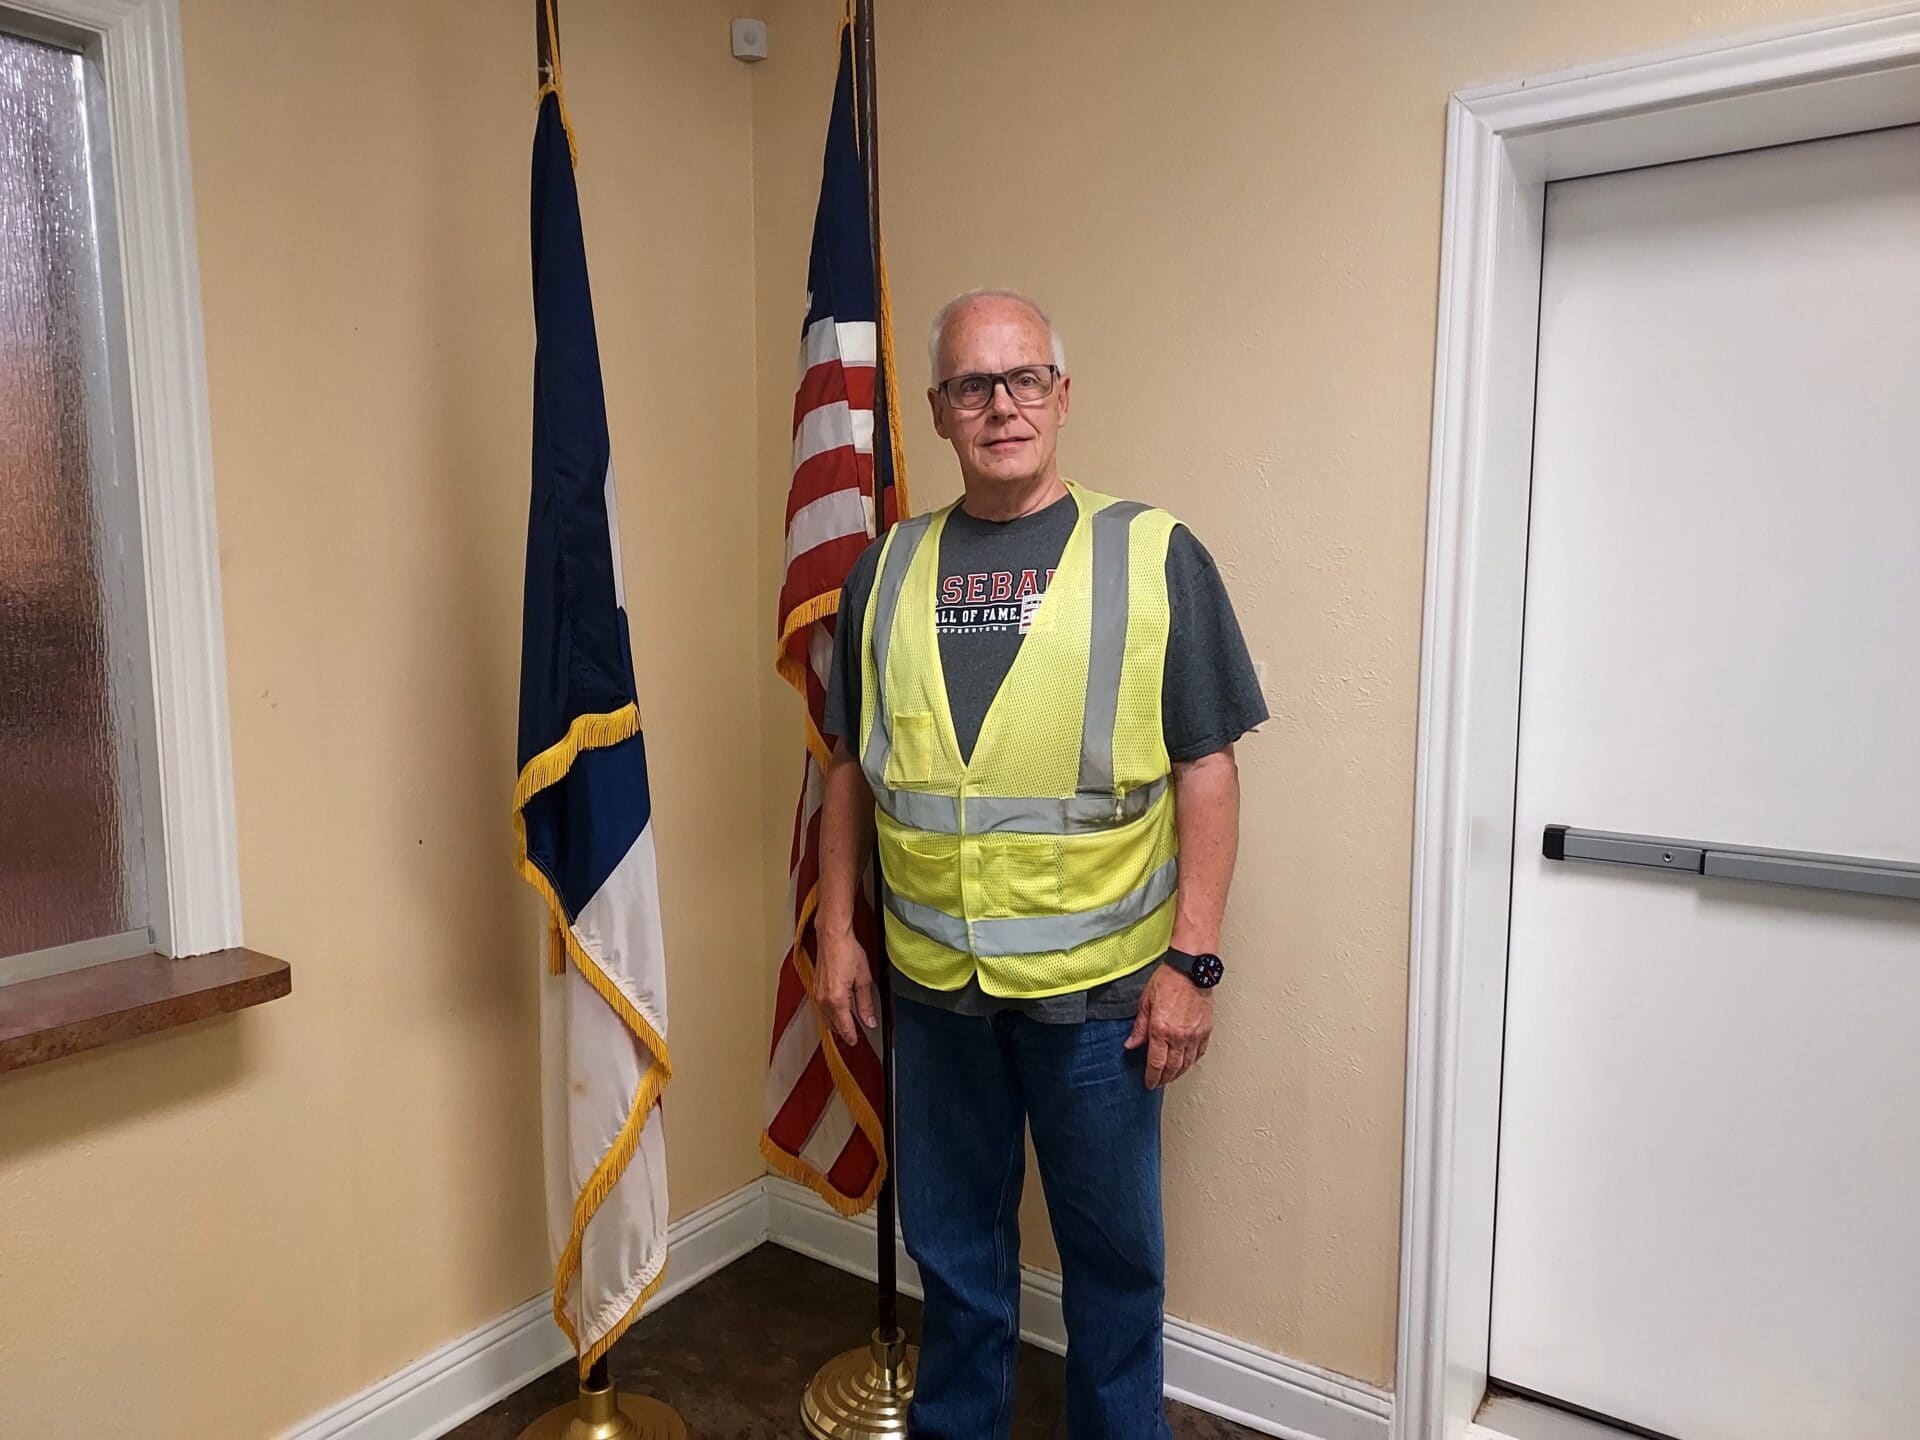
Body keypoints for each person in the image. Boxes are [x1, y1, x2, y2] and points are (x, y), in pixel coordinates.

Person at [813, 288, 1266, 1438]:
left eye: (1024, 380)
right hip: (936, 995)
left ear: (1062, 397)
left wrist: (1192, 967)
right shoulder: (883, 575)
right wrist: (836, 931)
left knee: (1114, 1284)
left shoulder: (1154, 556)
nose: (1001, 404)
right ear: (939, 411)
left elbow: (1206, 772)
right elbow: (848, 771)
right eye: (973, 384)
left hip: (1101, 1007)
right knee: (956, 1267)